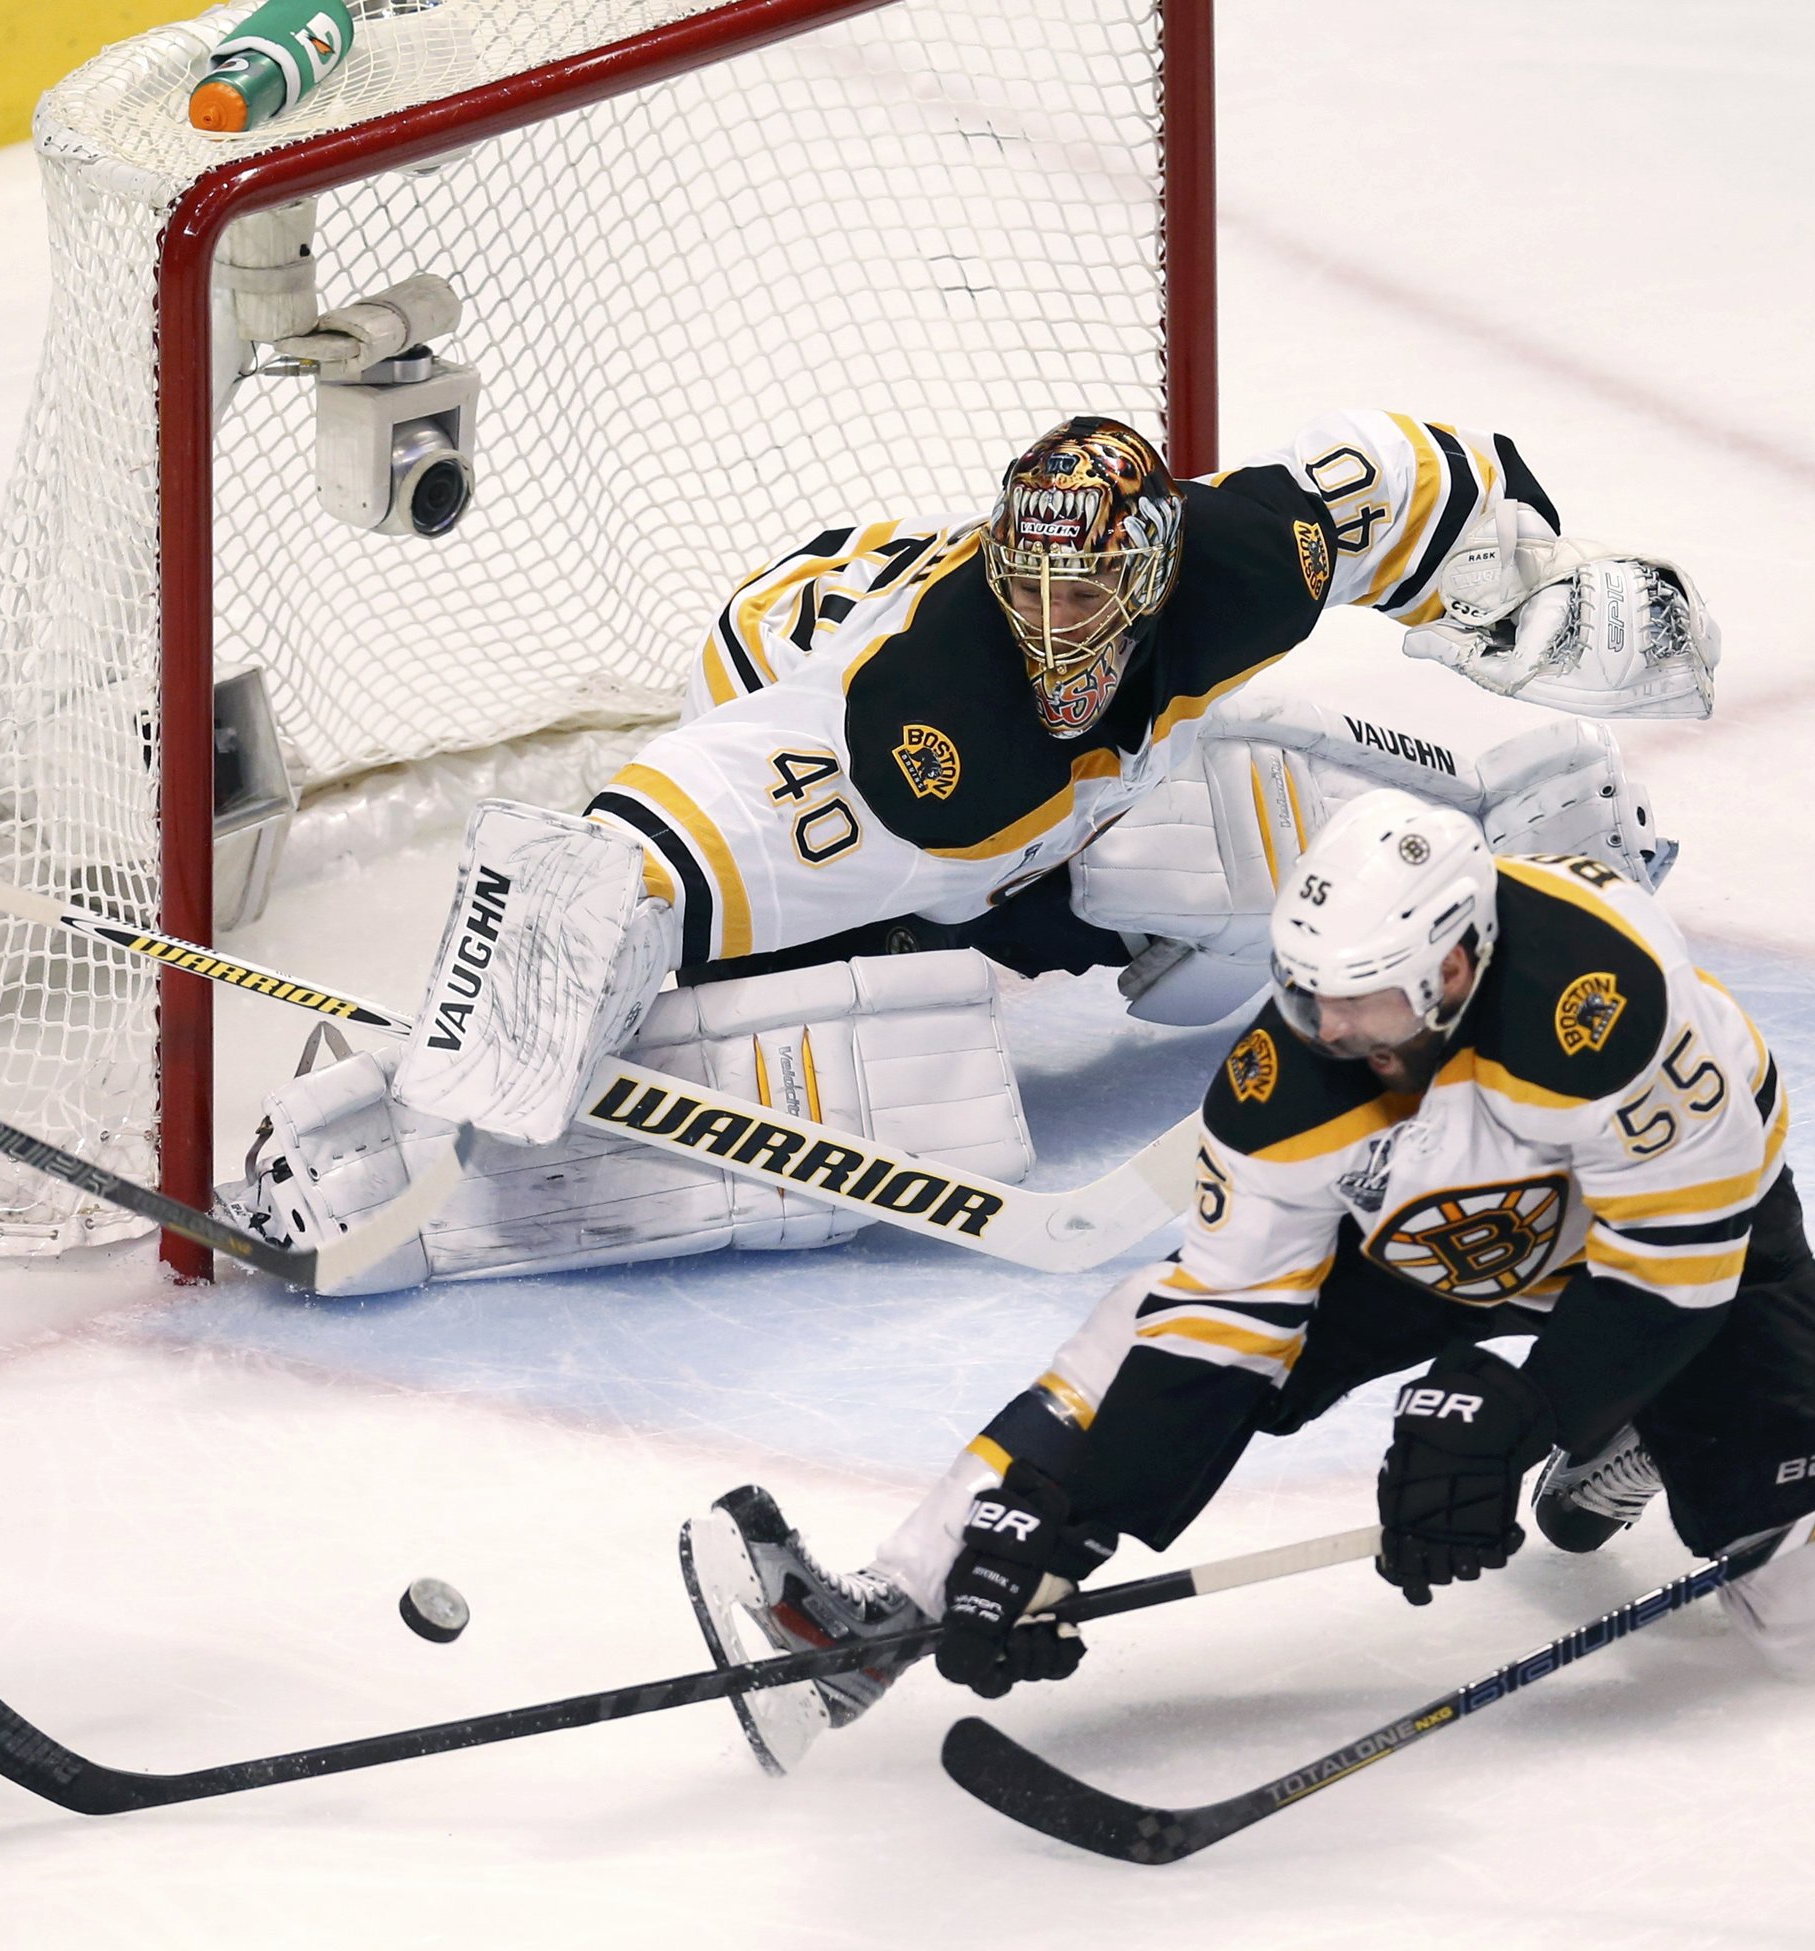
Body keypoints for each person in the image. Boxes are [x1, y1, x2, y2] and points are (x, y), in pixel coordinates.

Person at [234, 410, 1716, 1291]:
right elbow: (635, 848)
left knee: (1206, 893)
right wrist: (447, 1079)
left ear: (1157, 572)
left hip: (1066, 816)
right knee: (887, 1059)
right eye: (1035, 599)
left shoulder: (1239, 559)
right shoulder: (922, 748)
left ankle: (1547, 829)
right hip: (812, 711)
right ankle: (398, 1178)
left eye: (1095, 602)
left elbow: (1411, 476)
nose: (1059, 635)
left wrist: (1530, 588)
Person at [678, 791, 1815, 1777]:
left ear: (1459, 960)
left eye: (1367, 1003)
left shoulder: (1605, 1003)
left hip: (1654, 1251)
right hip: (1419, 1241)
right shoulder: (1289, 1080)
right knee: (1144, 1317)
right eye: (1312, 996)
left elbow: (1674, 1267)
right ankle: (884, 1613)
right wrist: (1070, 1519)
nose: (1336, 1032)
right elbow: (1216, 1332)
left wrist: (1526, 1418)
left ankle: (1631, 1430)